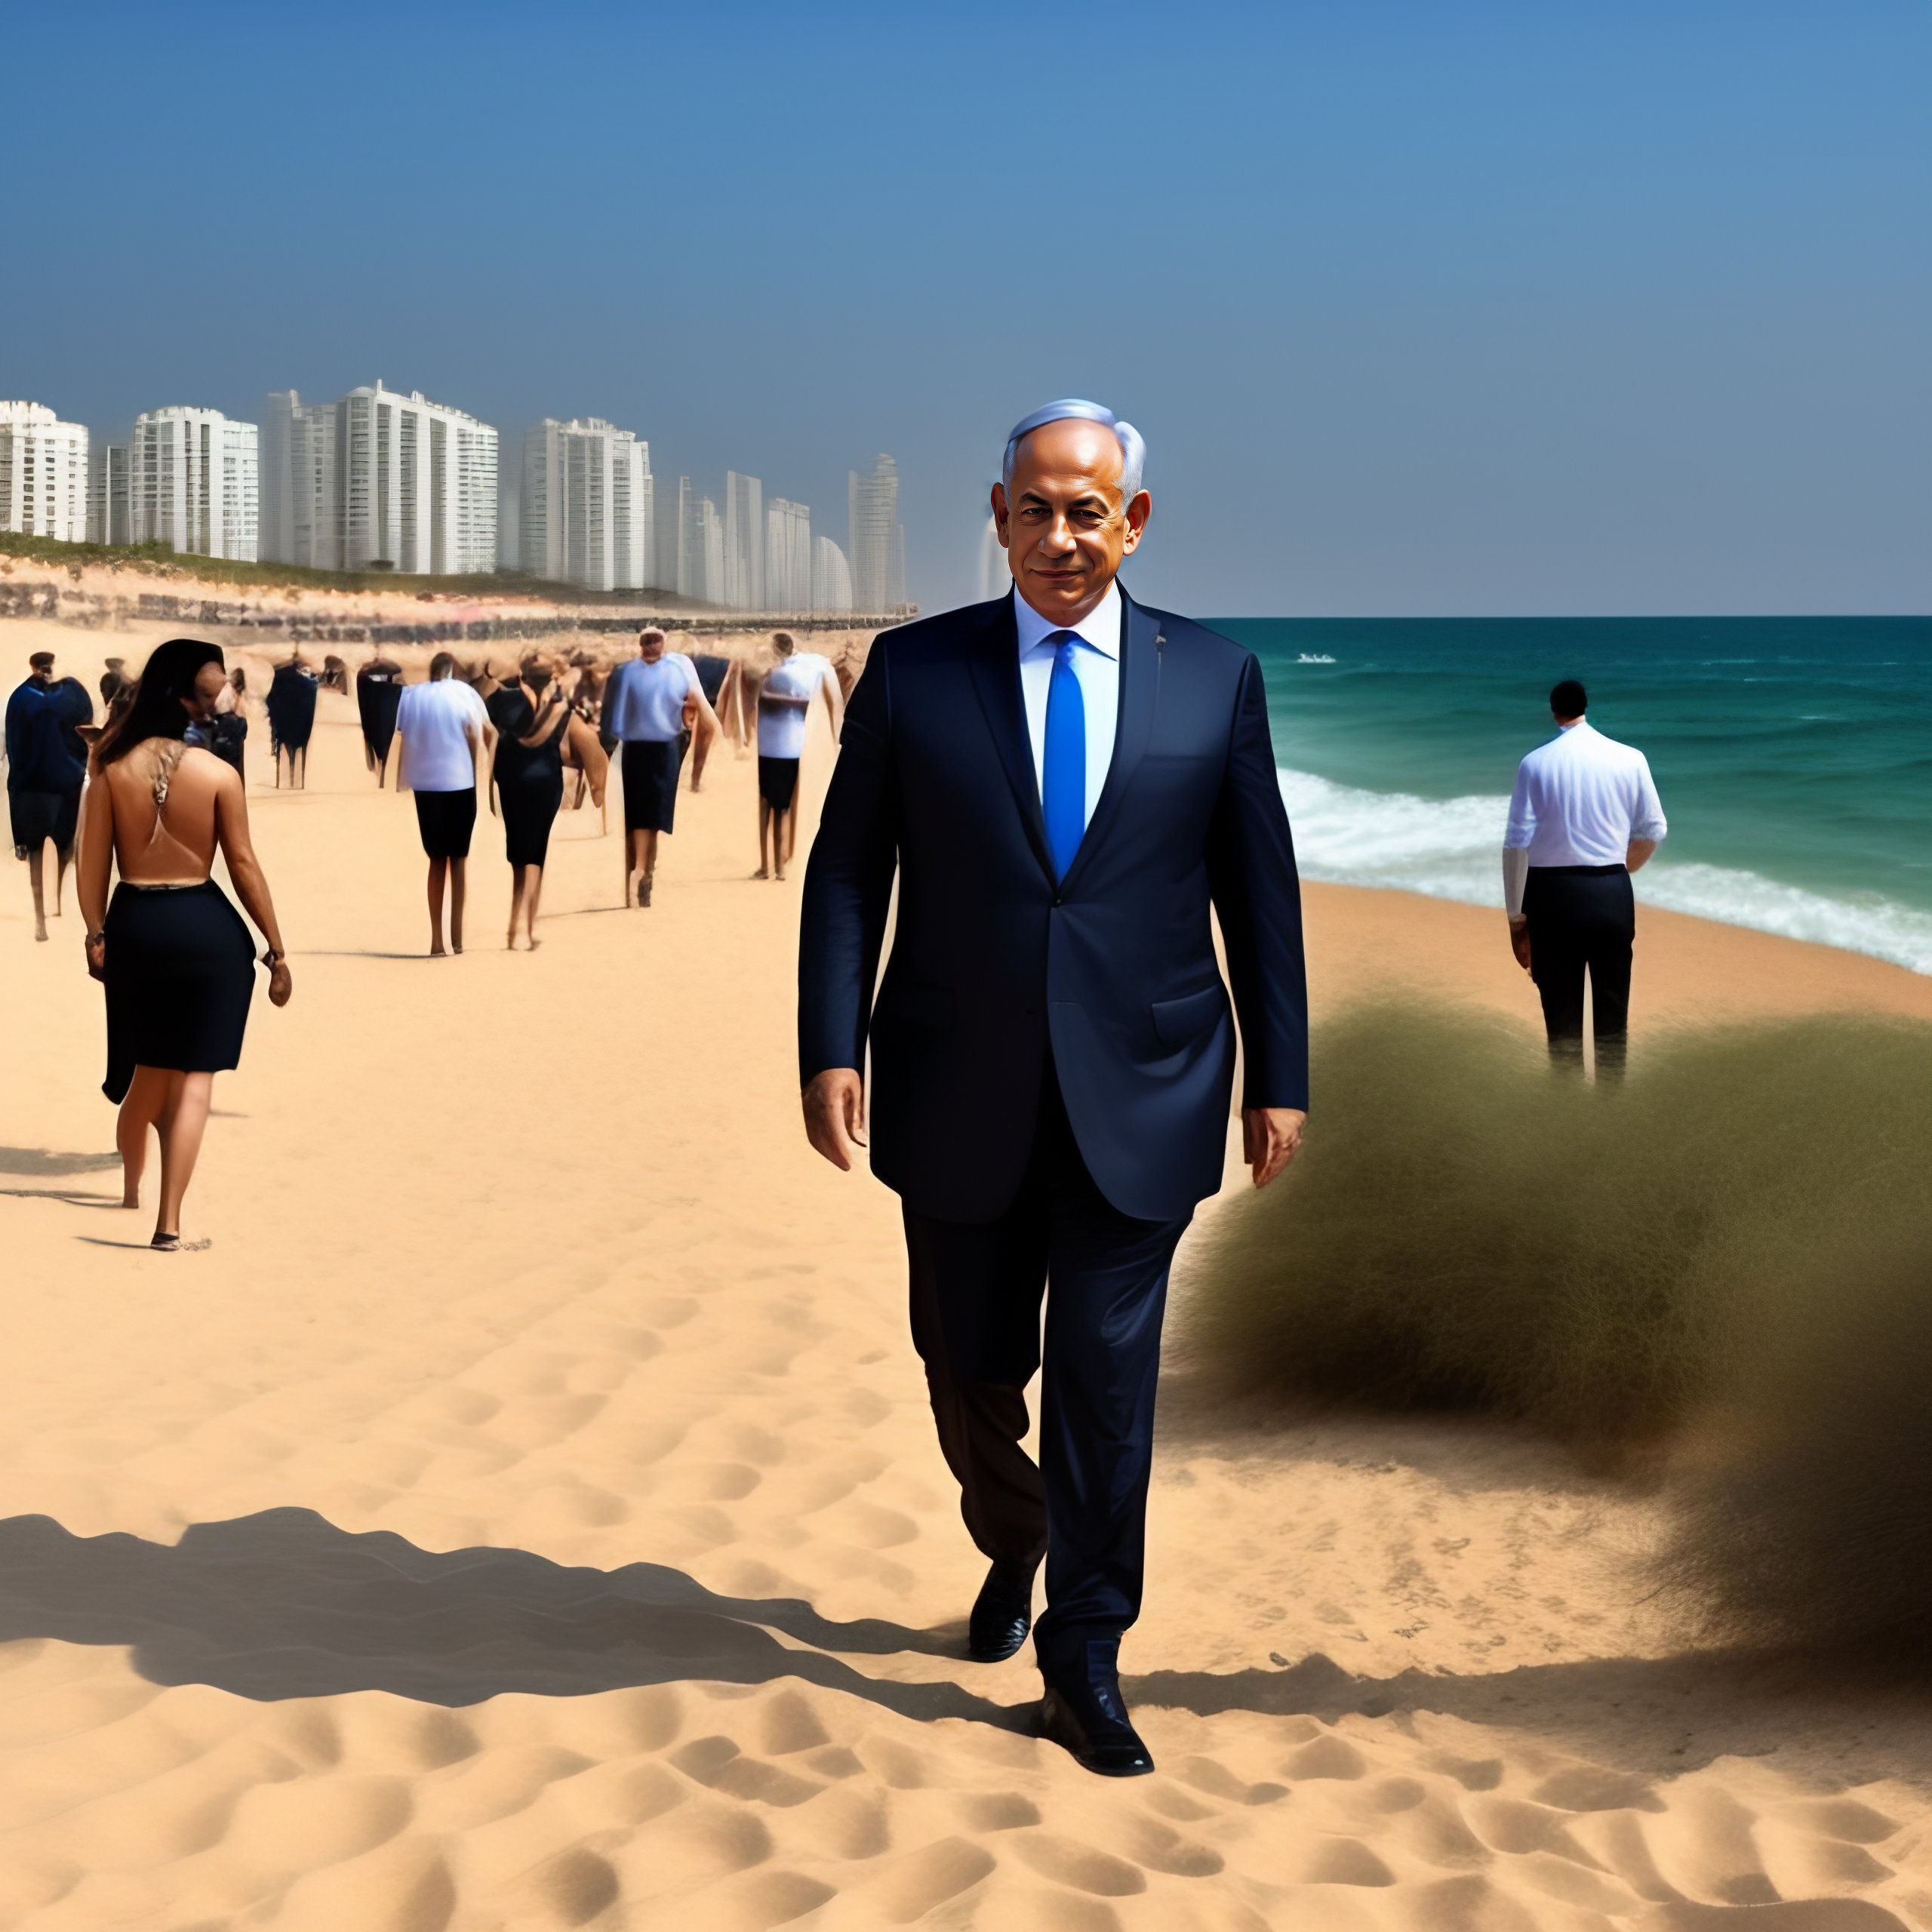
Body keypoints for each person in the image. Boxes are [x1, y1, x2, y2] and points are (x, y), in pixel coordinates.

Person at [798, 401, 1309, 1777]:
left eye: (1091, 510)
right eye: (1037, 508)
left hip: (1148, 1085)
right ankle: (1014, 1533)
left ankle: (1086, 1650)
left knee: (1104, 1379)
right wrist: (829, 1044)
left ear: (1132, 520)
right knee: (968, 1371)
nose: (1063, 535)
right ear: (999, 513)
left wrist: (1283, 1071)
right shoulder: (915, 675)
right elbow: (850, 871)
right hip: (953, 1084)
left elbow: (1257, 886)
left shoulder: (1215, 677)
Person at [73, 638, 292, 1251]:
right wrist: (276, 947)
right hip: (206, 925)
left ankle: (130, 1189)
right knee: (196, 1078)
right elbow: (244, 865)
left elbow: (90, 869)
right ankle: (169, 1224)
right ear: (183, 697)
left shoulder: (111, 771)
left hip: (137, 922)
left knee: (145, 1070)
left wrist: (95, 934)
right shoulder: (218, 774)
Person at [1503, 678, 1667, 1075]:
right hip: (1610, 893)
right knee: (1613, 1014)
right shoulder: (1631, 758)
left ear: (1554, 711)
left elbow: (1517, 845)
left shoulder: (1535, 762)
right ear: (1585, 706)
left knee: (1561, 1021)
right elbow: (1653, 829)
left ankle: (1568, 1119)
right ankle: (1611, 1117)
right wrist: (1618, 868)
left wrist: (1516, 919)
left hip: (1552, 897)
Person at [488, 657, 607, 950]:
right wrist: (597, 787)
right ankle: (528, 929)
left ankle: (511, 929)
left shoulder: (502, 701)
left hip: (513, 784)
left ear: (521, 676)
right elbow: (587, 744)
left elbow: (486, 734)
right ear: (550, 679)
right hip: (545, 786)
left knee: (517, 855)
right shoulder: (561, 708)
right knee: (536, 857)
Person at [601, 626, 722, 908]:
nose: (652, 645)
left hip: (655, 749)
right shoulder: (637, 672)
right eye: (649, 640)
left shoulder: (671, 669)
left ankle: (641, 876)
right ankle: (639, 876)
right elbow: (612, 716)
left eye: (655, 640)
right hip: (648, 749)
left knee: (645, 820)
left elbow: (698, 710)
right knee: (642, 819)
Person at [395, 651, 493, 956]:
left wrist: (402, 778)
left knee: (437, 861)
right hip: (461, 784)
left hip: (425, 787)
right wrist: (488, 778)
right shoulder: (466, 693)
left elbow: (405, 736)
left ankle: (437, 941)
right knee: (459, 860)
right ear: (452, 672)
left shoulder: (410, 696)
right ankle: (458, 939)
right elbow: (483, 735)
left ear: (432, 671)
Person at [7, 651, 93, 940]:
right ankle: (57, 903)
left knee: (35, 852)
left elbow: (15, 746)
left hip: (32, 786)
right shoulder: (70, 694)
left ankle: (40, 917)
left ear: (32, 666)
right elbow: (83, 732)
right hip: (65, 781)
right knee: (65, 846)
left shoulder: (20, 698)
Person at [754, 632, 843, 881]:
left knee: (768, 806)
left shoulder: (776, 673)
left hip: (772, 747)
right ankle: (780, 864)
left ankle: (769, 866)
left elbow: (764, 697)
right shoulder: (810, 668)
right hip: (793, 746)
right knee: (784, 806)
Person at [266, 654, 318, 789]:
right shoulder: (306, 684)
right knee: (298, 744)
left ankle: (281, 781)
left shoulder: (278, 681)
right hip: (300, 726)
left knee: (282, 742)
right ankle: (298, 780)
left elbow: (269, 701)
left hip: (282, 725)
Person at [356, 656, 405, 784]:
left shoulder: (365, 676)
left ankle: (380, 768)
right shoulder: (392, 682)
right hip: (384, 713)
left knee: (378, 739)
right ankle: (382, 769)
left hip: (376, 714)